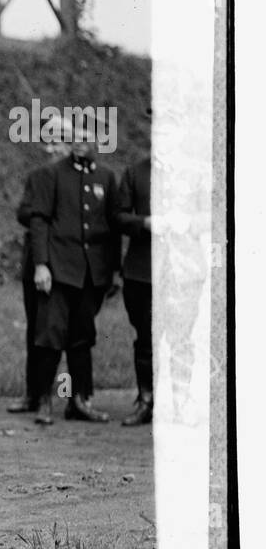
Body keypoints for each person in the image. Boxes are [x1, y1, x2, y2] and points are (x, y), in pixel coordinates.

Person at [24, 135, 121, 425]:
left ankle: (80, 401)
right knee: (50, 336)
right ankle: (43, 402)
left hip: (92, 274)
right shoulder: (52, 174)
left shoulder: (106, 177)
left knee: (82, 337)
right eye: (74, 138)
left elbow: (113, 228)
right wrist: (41, 265)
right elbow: (38, 221)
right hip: (58, 270)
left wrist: (114, 270)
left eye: (86, 139)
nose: (79, 143)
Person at [8, 135, 71, 413]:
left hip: (67, 263)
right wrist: (43, 215)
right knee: (35, 328)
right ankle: (33, 395)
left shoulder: (79, 179)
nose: (54, 147)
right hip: (37, 261)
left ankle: (58, 394)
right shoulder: (39, 176)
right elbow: (24, 213)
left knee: (57, 330)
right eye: (51, 141)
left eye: (61, 141)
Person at [116, 154, 153, 425]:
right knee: (145, 338)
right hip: (141, 272)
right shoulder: (135, 172)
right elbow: (118, 217)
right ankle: (146, 400)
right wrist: (145, 223)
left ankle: (178, 407)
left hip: (181, 270)